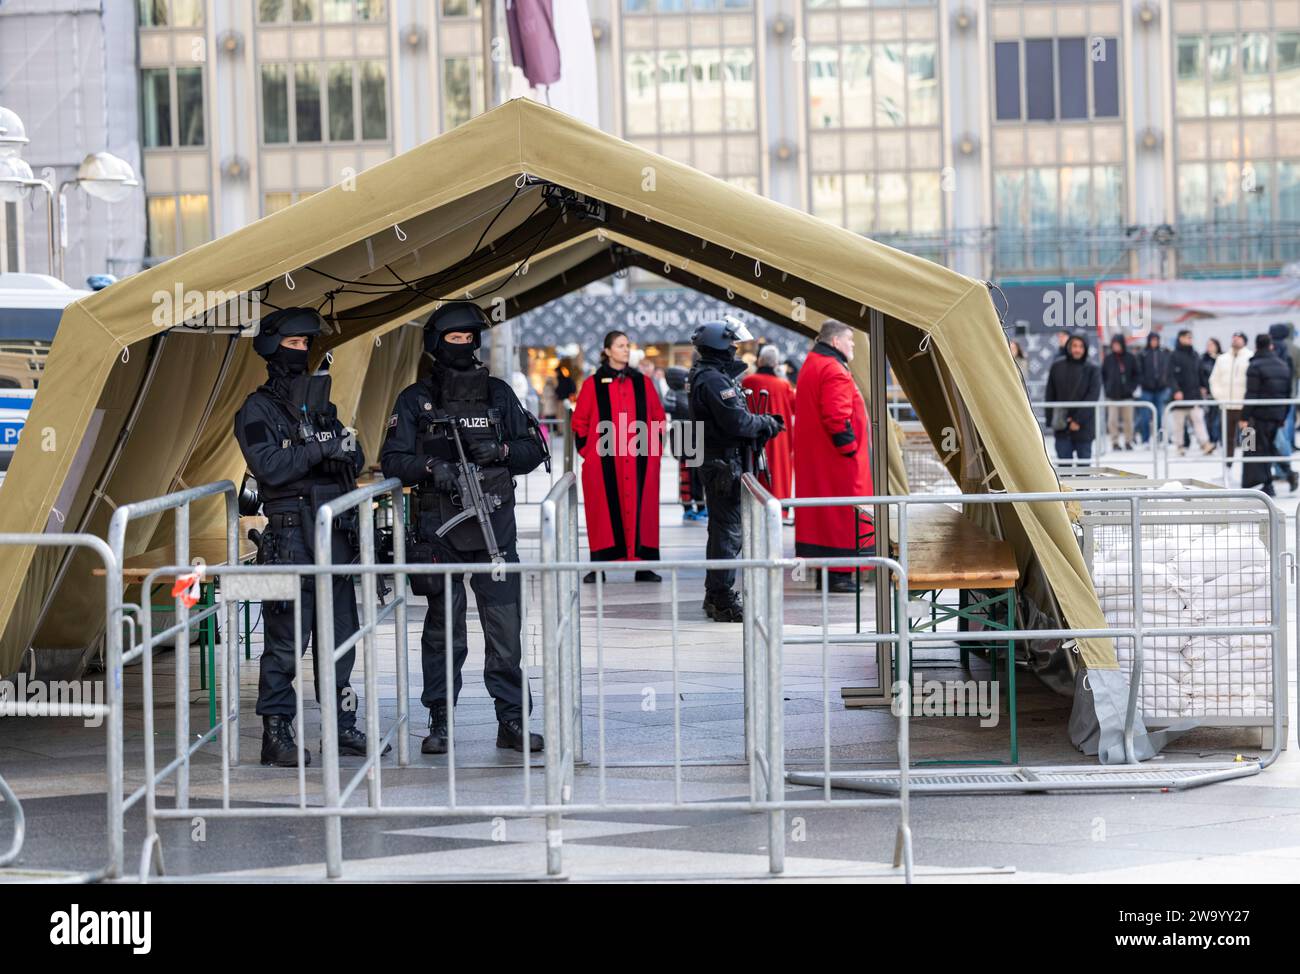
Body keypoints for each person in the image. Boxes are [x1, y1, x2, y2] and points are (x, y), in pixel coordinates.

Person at [380, 301, 548, 754]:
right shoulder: (415, 400)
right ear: (437, 343)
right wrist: (432, 466)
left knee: (505, 630)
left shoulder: (498, 393)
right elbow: (392, 461)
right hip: (439, 532)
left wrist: (501, 453)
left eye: (469, 338)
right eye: (454, 339)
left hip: (495, 529)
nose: (463, 346)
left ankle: (512, 720)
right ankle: (440, 722)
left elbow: (535, 451)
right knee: (442, 632)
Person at [233, 307, 383, 767]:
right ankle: (275, 734)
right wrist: (319, 450)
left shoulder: (323, 407)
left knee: (340, 640)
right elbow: (270, 466)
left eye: (305, 346)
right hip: (289, 541)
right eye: (294, 345)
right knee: (283, 646)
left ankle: (340, 726)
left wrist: (334, 449)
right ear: (272, 349)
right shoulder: (255, 410)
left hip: (334, 539)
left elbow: (353, 457)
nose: (301, 353)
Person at [688, 318, 783, 622]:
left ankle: (715, 592)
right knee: (728, 533)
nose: (735, 349)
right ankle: (722, 598)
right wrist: (767, 423)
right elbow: (737, 422)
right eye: (731, 344)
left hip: (723, 461)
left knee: (722, 531)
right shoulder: (713, 380)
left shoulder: (712, 376)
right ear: (719, 345)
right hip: (722, 463)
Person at [571, 330, 666, 584]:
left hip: (640, 461)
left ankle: (644, 566)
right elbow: (579, 422)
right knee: (601, 513)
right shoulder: (592, 384)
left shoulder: (642, 382)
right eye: (621, 346)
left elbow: (657, 418)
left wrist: (653, 450)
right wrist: (589, 453)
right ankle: (599, 566)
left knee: (643, 512)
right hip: (602, 463)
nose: (626, 349)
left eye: (628, 345)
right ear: (607, 351)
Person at [793, 320, 873, 594]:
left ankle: (829, 573)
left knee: (824, 518)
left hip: (821, 459)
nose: (853, 346)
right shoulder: (833, 369)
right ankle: (840, 574)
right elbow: (837, 417)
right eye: (850, 340)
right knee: (842, 517)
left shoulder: (814, 363)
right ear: (836, 341)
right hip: (838, 463)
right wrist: (850, 450)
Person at [741, 344, 796, 501]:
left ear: (759, 361)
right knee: (778, 473)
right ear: (775, 364)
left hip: (753, 434)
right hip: (778, 439)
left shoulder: (748, 381)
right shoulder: (783, 385)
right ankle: (780, 508)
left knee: (753, 470)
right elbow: (794, 406)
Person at [1241, 332, 1293, 495]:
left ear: (1256, 346)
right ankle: (1288, 473)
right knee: (1270, 447)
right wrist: (1283, 416)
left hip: (1259, 415)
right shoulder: (1283, 365)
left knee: (1257, 448)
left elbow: (1251, 394)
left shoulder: (1255, 366)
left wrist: (1244, 416)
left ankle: (1268, 484)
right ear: (1270, 345)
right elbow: (1288, 393)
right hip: (1277, 414)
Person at [1044, 334, 1100, 465]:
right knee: (1064, 468)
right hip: (1061, 426)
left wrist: (1077, 421)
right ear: (1068, 347)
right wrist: (1050, 420)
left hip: (1084, 426)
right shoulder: (1057, 366)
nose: (1077, 350)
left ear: (1085, 348)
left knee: (1084, 469)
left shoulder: (1093, 369)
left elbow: (1092, 397)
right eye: (1074, 346)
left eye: (1081, 346)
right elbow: (1050, 394)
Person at [664, 364, 706, 520]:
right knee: (687, 476)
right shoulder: (674, 394)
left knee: (698, 476)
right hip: (684, 441)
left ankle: (700, 505)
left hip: (693, 440)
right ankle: (688, 505)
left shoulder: (687, 393)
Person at [1168, 329, 1214, 456]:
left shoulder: (1194, 354)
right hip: (1179, 398)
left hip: (1194, 396)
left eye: (1191, 337)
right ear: (1181, 338)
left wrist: (1203, 386)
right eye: (1187, 337)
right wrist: (1176, 390)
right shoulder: (1174, 355)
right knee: (1179, 424)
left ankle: (1205, 444)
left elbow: (1200, 373)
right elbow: (1170, 376)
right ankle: (1180, 446)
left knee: (1199, 421)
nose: (1190, 340)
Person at [1209, 332, 1252, 459]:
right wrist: (1219, 397)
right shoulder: (1222, 359)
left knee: (1249, 438)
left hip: (1245, 405)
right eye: (1233, 338)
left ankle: (1250, 468)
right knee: (1228, 438)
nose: (1235, 341)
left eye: (1238, 339)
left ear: (1244, 341)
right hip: (1226, 405)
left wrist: (1247, 399)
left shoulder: (1250, 357)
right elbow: (1214, 380)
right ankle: (1227, 466)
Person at [1269, 322, 1298, 484]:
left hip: (1257, 407)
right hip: (1287, 398)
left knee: (1267, 440)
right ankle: (1285, 470)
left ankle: (1283, 471)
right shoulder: (1293, 349)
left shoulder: (1268, 350)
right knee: (1283, 436)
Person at [1100, 335, 1138, 451]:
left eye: (1118, 344)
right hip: (1112, 396)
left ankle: (1128, 441)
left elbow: (1136, 374)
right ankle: (1115, 442)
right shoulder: (1108, 358)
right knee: (1112, 421)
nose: (1116, 346)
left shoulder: (1130, 357)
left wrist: (1131, 388)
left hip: (1127, 396)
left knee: (1128, 420)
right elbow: (1103, 375)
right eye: (1114, 344)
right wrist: (1108, 388)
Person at [1135, 332, 1172, 446]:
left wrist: (1164, 382)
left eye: (1156, 340)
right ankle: (1145, 439)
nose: (1154, 342)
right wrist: (1144, 382)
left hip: (1160, 389)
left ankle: (1159, 438)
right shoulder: (1143, 354)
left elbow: (1167, 369)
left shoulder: (1163, 353)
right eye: (1152, 340)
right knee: (1145, 416)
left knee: (1159, 415)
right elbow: (1139, 371)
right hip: (1146, 389)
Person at [1201, 338, 1222, 446]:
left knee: (1221, 419)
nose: (1209, 347)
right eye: (1208, 345)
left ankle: (1222, 440)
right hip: (1209, 393)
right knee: (1210, 418)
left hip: (1222, 394)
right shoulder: (1203, 359)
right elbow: (1200, 375)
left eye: (1212, 344)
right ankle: (1212, 440)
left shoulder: (1223, 358)